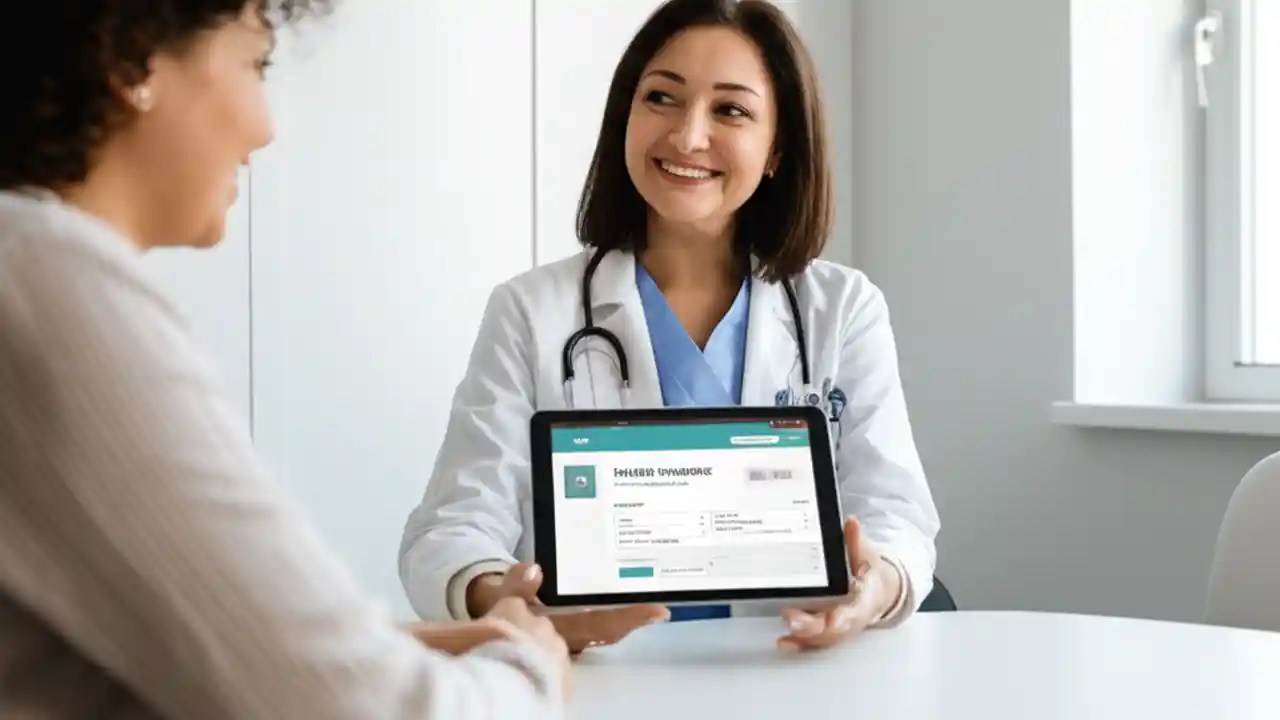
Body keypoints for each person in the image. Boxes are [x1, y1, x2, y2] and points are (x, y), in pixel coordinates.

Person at [0, 2, 570, 717]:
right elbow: (359, 709)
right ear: (131, 61)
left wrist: (431, 643)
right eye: (255, 64)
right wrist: (528, 663)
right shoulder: (48, 282)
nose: (265, 129)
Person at [400, 0, 940, 654]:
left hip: (787, 670)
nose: (687, 137)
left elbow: (896, 518)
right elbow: (451, 528)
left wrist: (873, 586)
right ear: (625, 116)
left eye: (731, 110)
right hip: (597, 679)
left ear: (777, 149)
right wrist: (504, 599)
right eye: (662, 97)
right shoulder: (530, 311)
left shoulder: (842, 309)